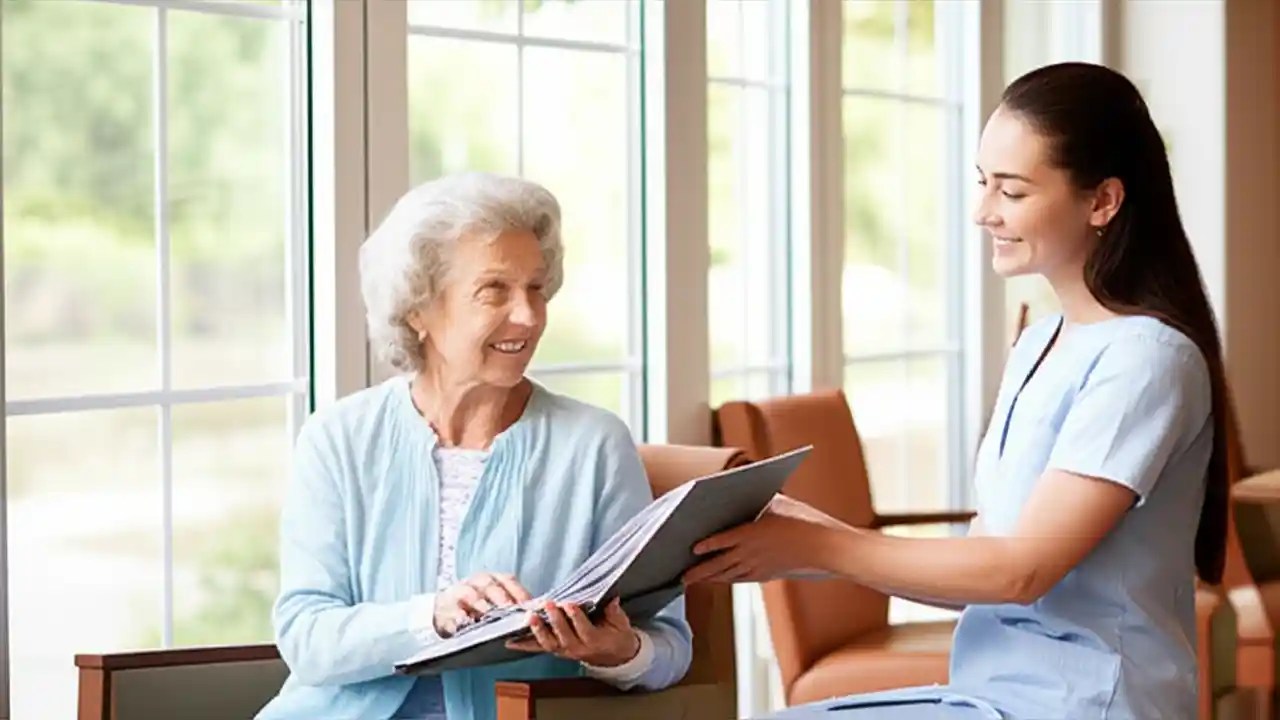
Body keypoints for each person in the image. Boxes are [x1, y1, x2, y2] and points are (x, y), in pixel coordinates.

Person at [685, 62, 1231, 720]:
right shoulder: (1040, 344)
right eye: (982, 183)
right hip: (990, 694)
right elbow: (987, 567)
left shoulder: (1147, 361)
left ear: (1102, 201)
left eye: (1013, 191)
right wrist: (814, 537)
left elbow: (1018, 572)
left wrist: (822, 546)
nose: (983, 212)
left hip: (1087, 703)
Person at [255, 172, 691, 720]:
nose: (529, 316)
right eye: (495, 291)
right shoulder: (339, 438)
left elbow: (670, 648)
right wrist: (431, 617)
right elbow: (306, 636)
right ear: (418, 310)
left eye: (536, 288)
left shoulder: (594, 446)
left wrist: (617, 652)